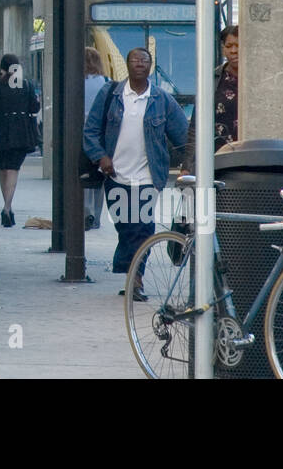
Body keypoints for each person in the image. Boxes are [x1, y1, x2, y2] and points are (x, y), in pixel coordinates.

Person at [83, 46, 188, 301]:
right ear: (127, 65)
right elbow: (90, 130)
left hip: (148, 178)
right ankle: (126, 265)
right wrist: (101, 157)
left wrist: (191, 163)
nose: (139, 63)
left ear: (150, 66)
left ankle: (136, 279)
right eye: (134, 60)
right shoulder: (111, 95)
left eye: (144, 60)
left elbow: (184, 136)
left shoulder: (162, 100)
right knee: (126, 227)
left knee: (142, 227)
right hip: (115, 176)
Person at [181, 25, 239, 172]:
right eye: (229, 46)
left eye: (238, 45)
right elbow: (195, 126)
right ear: (223, 48)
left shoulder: (258, 80)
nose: (233, 51)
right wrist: (187, 165)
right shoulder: (212, 79)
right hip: (217, 160)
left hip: (250, 157)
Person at [0, 54, 40, 227]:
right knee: (13, 170)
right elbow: (34, 107)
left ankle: (7, 206)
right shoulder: (26, 85)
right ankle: (7, 207)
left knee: (3, 170)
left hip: (0, 132)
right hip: (20, 133)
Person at [82, 46, 111, 230]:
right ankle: (97, 216)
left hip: (81, 135)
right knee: (100, 178)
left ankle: (87, 212)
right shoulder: (107, 83)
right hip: (103, 136)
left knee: (84, 176)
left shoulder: (76, 83)